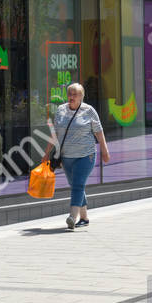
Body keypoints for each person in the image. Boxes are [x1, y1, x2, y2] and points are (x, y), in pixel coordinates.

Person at [44, 82, 110, 230]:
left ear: (81, 96)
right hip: (66, 157)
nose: (71, 96)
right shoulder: (61, 110)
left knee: (78, 185)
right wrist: (46, 153)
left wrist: (104, 150)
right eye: (69, 94)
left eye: (75, 94)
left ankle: (72, 217)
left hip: (85, 156)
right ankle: (84, 218)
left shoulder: (89, 111)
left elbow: (99, 132)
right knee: (76, 186)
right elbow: (54, 133)